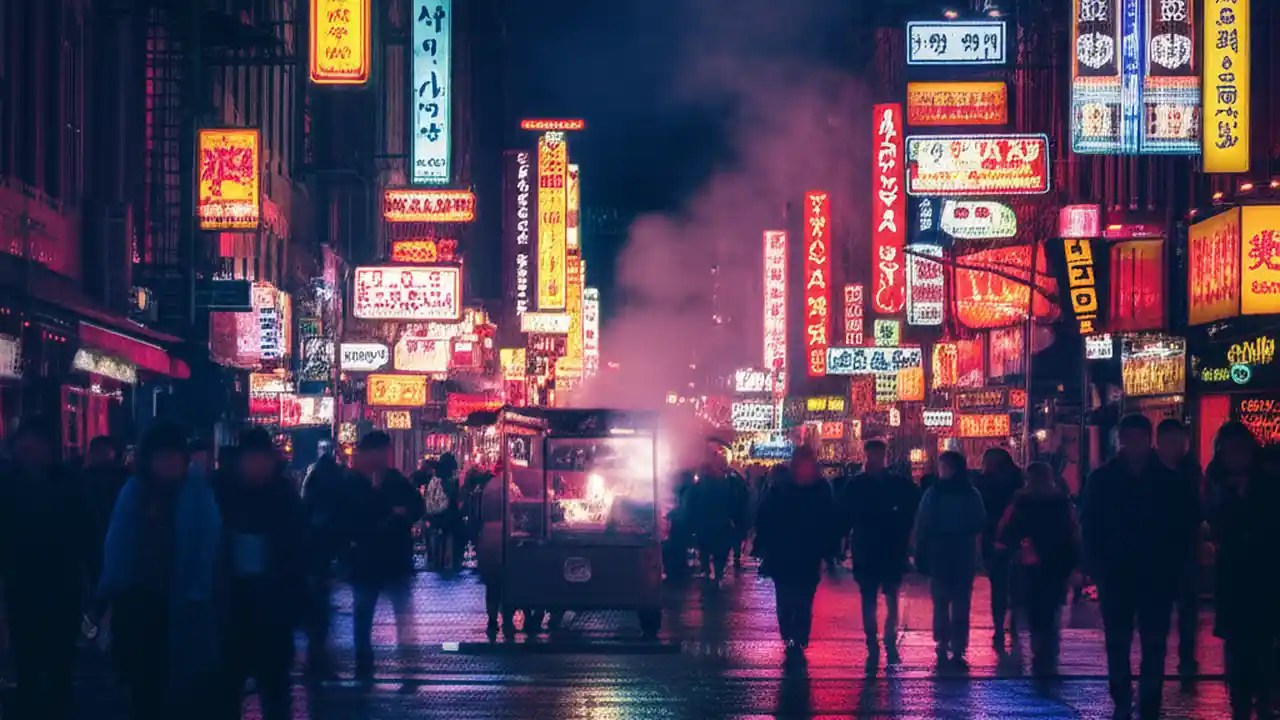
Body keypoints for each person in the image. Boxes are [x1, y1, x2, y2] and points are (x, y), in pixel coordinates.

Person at [99, 422, 223, 720]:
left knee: (183, 689)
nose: (168, 463)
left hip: (186, 604)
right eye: (161, 457)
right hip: (140, 603)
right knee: (144, 688)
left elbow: (209, 550)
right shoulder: (134, 493)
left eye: (173, 456)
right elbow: (118, 544)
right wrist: (110, 592)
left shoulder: (199, 496)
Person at [1082, 414, 1199, 719]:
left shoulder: (1170, 481)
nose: (1132, 445)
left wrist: (1178, 567)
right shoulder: (1103, 479)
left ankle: (1148, 700)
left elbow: (1185, 528)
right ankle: (1122, 695)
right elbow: (1090, 525)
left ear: (1149, 441)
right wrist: (1094, 565)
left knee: (1153, 642)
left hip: (1156, 574)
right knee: (1118, 641)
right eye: (1127, 438)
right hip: (1117, 573)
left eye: (1137, 438)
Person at [0, 419, 94, 720]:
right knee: (28, 656)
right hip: (22, 583)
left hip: (60, 582)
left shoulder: (68, 483)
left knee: (58, 661)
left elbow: (87, 531)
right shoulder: (8, 483)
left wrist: (93, 573)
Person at [214, 428, 306, 719]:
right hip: (231, 609)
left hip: (272, 609)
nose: (256, 465)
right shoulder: (220, 492)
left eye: (261, 458)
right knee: (226, 691)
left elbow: (299, 551)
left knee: (275, 691)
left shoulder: (283, 495)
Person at [1205, 422, 1279, 719]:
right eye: (1229, 451)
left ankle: (1262, 701)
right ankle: (1240, 700)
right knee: (1238, 646)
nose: (1234, 456)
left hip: (1264, 573)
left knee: (1262, 644)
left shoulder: (1268, 485)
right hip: (1233, 576)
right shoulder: (1216, 487)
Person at [344, 431, 424, 678]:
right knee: (364, 613)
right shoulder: (354, 482)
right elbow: (347, 517)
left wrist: (404, 514)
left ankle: (408, 660)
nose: (385, 457)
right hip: (367, 559)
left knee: (401, 612)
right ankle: (363, 662)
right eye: (382, 452)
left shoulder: (396, 480)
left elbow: (418, 507)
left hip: (394, 558)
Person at [754, 447, 837, 667]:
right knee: (786, 598)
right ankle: (790, 636)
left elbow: (829, 521)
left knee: (803, 598)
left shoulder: (820, 490)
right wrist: (764, 544)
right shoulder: (781, 489)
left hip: (808, 553)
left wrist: (829, 549)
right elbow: (764, 518)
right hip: (784, 553)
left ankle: (798, 638)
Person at [841, 439, 919, 664]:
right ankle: (878, 639)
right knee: (880, 595)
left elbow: (844, 516)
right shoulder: (893, 484)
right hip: (881, 546)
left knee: (880, 595)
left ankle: (881, 639)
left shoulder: (860, 485)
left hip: (877, 546)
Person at [997, 462, 1079, 675]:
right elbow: (1072, 534)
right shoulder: (1061, 503)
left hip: (1029, 562)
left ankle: (1039, 649)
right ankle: (1049, 651)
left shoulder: (1021, 503)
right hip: (1057, 562)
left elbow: (1007, 532)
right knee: (1051, 608)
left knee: (1034, 608)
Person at [914, 450, 985, 669]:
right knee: (961, 599)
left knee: (942, 599)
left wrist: (919, 549)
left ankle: (943, 641)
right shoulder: (971, 493)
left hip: (941, 549)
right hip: (963, 548)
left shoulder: (934, 494)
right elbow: (980, 520)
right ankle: (958, 644)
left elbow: (923, 523)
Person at [1155, 417, 1204, 684]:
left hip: (1184, 549)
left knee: (1187, 610)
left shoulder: (1189, 469)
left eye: (1179, 441)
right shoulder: (1152, 473)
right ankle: (1159, 658)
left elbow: (1198, 508)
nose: (1176, 446)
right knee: (1159, 610)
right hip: (1159, 552)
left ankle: (1186, 658)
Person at [300, 439, 347, 676]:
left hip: (316, 544)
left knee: (319, 602)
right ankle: (320, 656)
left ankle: (316, 656)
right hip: (329, 542)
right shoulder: (337, 475)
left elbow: (305, 502)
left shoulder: (314, 475)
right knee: (322, 603)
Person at [975, 447, 1024, 652]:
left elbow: (980, 516)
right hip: (1017, 539)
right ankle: (1014, 624)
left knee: (999, 587)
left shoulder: (983, 484)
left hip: (993, 540)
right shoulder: (1019, 482)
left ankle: (999, 625)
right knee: (1017, 585)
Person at [687, 440, 739, 583]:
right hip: (716, 520)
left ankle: (711, 571)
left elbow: (693, 500)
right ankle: (715, 572)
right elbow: (733, 500)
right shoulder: (726, 481)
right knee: (716, 548)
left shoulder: (705, 482)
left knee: (709, 546)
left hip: (710, 520)